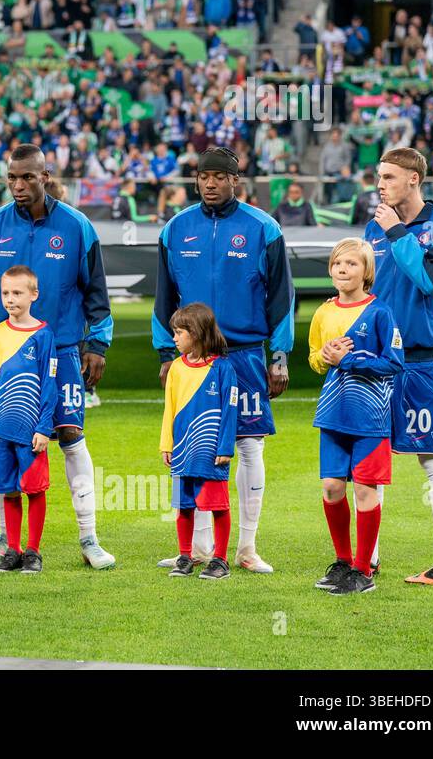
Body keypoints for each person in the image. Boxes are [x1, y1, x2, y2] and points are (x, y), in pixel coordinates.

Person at [0, 144, 115, 569]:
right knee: (5, 444)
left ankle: (89, 538)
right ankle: (6, 539)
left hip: (63, 351)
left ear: (45, 176)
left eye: (27, 177)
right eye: (12, 178)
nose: (18, 185)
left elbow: (97, 294)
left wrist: (98, 344)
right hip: (5, 354)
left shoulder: (77, 227)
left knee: (70, 438)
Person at [153, 147, 294, 574]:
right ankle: (196, 548)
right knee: (191, 449)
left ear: (236, 180)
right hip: (195, 360)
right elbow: (164, 298)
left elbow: (282, 298)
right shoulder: (176, 229)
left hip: (245, 356)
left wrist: (280, 355)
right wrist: (165, 352)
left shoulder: (263, 228)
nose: (210, 183)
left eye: (219, 176)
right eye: (203, 176)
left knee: (249, 448)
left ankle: (246, 549)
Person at [364, 148, 433, 585]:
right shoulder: (372, 227)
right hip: (374, 362)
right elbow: (366, 289)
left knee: (432, 456)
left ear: (413, 179)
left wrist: (397, 233)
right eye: (379, 176)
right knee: (369, 459)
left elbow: (429, 281)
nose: (380, 184)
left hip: (421, 360)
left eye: (388, 176)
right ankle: (366, 558)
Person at [309, 239, 402, 595]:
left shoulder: (380, 312)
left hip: (370, 417)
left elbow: (394, 362)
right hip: (333, 413)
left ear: (367, 272)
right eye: (337, 263)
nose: (343, 269)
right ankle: (343, 561)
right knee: (332, 488)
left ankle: (363, 571)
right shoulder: (323, 313)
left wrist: (346, 359)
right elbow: (316, 360)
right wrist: (326, 357)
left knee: (365, 490)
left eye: (351, 263)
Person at [0, 265, 58, 575]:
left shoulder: (43, 334)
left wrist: (43, 426)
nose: (10, 299)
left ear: (33, 294)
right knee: (9, 489)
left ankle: (33, 551)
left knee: (34, 489)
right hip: (1, 428)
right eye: (5, 293)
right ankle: (12, 550)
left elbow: (49, 383)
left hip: (31, 430)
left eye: (17, 293)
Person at [160, 303, 238, 580]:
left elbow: (231, 409)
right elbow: (169, 407)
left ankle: (220, 560)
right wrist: (166, 443)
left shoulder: (223, 368)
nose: (174, 338)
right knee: (183, 506)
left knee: (217, 506)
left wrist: (226, 446)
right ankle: (185, 556)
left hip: (211, 451)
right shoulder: (177, 368)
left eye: (179, 332)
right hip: (182, 449)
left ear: (196, 333)